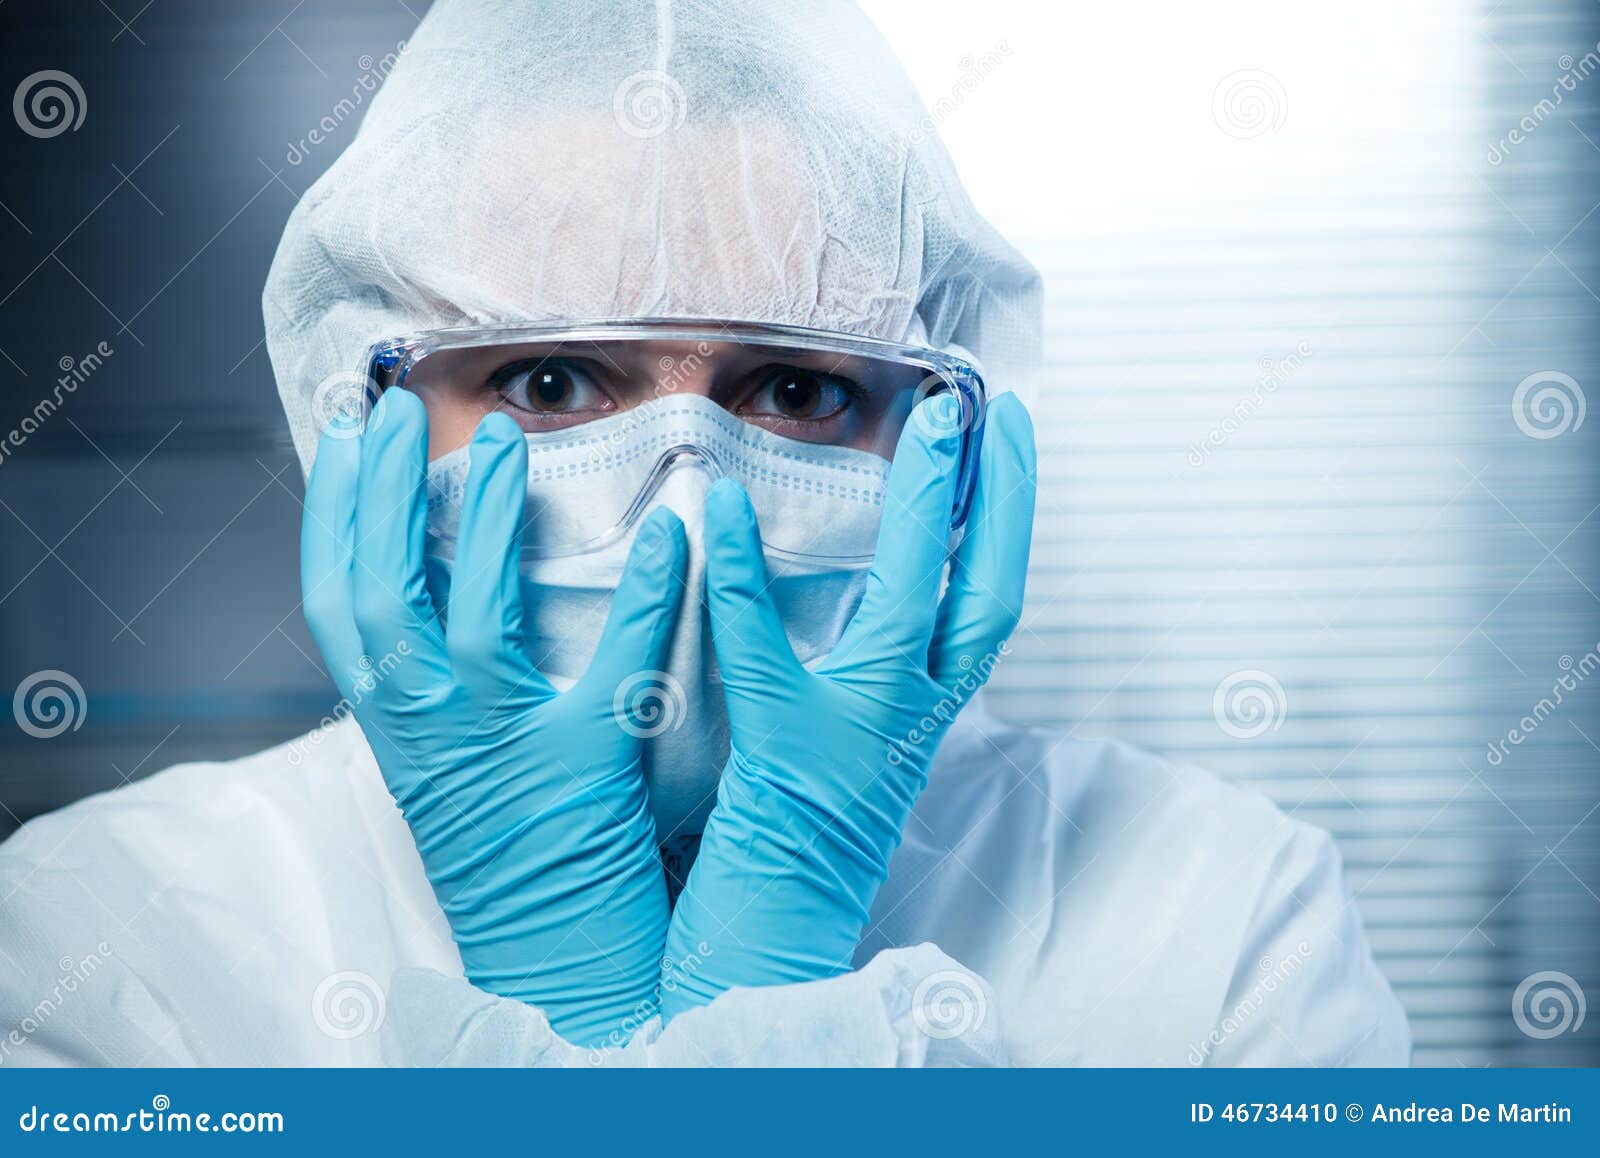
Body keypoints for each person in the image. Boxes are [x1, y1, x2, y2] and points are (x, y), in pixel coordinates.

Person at [0, 0, 1408, 1066]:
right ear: (356, 415)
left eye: (794, 388)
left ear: (953, 442)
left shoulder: (1223, 926)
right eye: (551, 380)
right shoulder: (92, 943)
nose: (684, 506)